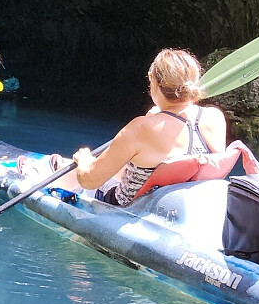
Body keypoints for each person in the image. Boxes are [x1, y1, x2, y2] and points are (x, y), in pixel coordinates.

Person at [20, 49, 226, 206]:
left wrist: (84, 161)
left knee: (87, 170)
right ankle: (61, 168)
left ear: (154, 82)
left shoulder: (140, 129)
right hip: (181, 205)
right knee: (119, 166)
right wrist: (158, 117)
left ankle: (42, 177)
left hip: (129, 206)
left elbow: (90, 180)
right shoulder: (214, 118)